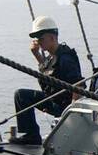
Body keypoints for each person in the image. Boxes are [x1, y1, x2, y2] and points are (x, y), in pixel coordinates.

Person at [11, 14, 82, 145]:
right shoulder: (52, 57)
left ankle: (32, 135)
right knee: (21, 95)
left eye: (41, 38)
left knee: (22, 95)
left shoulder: (66, 58)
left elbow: (78, 85)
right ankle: (31, 134)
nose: (38, 42)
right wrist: (36, 54)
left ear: (52, 37)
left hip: (63, 106)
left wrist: (70, 113)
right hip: (53, 99)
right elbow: (48, 73)